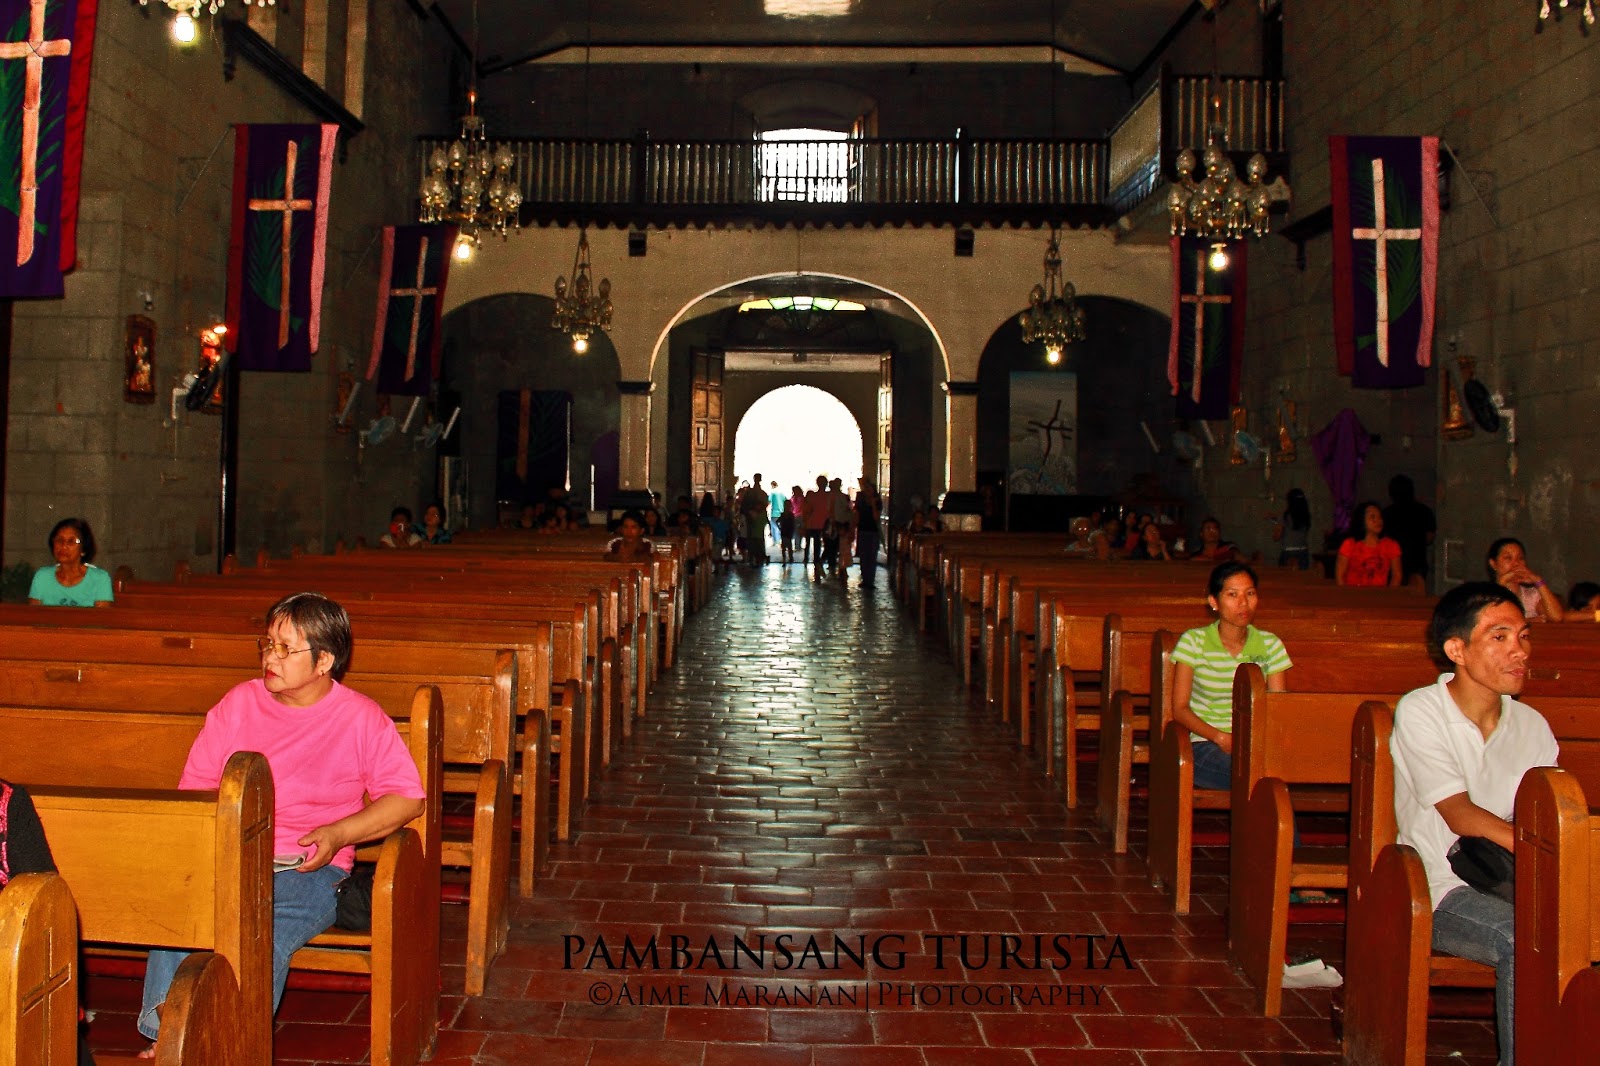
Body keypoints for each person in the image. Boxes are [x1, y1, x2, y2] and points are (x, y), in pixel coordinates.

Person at [137, 593, 426, 1052]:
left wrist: (339, 834)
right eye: (267, 643)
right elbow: (195, 788)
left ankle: (235, 1044)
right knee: (185, 907)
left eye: (285, 648)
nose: (271, 656)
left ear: (324, 660)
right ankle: (171, 1037)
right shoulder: (238, 704)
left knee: (258, 928)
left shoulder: (359, 717)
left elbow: (407, 799)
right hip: (233, 854)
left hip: (311, 869)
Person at [1391, 582, 1558, 1066]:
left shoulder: (1532, 727)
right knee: (1521, 937)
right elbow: (1459, 813)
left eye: (1524, 637)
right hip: (1435, 884)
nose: (1519, 652)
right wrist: (1534, 847)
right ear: (1456, 650)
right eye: (1500, 637)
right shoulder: (1422, 710)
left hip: (1507, 878)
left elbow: (1543, 811)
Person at [1170, 563, 1292, 791]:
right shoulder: (1193, 642)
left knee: (1269, 776)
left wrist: (1256, 743)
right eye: (1232, 594)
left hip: (1255, 745)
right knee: (1258, 779)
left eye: (1250, 593)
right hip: (1205, 744)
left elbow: (1277, 708)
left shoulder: (1270, 644)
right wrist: (1221, 737)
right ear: (1214, 602)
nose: (1243, 603)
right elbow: (1180, 708)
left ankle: (1272, 826)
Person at [28, 517, 113, 607]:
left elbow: (101, 619)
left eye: (71, 541)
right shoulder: (42, 577)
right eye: (59, 540)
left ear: (83, 549)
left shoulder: (99, 579)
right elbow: (33, 617)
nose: (64, 546)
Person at [1485, 537, 1564, 622]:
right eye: (1508, 558)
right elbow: (1493, 620)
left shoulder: (1531, 595)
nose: (1516, 563)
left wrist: (1538, 581)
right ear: (1493, 564)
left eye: (1520, 558)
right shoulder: (1484, 595)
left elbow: (1556, 617)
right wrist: (1502, 583)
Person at [1383, 474, 1436, 586]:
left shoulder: (1387, 513)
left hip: (1392, 564)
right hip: (1417, 563)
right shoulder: (1424, 511)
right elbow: (1430, 538)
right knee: (1414, 597)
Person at [1336, 502, 1402, 587]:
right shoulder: (1349, 544)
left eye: (1380, 517)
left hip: (1381, 597)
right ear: (1362, 520)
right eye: (1372, 517)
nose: (1378, 520)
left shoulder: (1391, 545)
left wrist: (1389, 597)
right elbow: (1340, 575)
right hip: (1353, 596)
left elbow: (1397, 575)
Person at [1274, 488, 1311, 570]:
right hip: (1303, 552)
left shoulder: (1285, 516)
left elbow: (1276, 536)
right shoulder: (1306, 516)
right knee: (1303, 579)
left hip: (1288, 552)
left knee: (1286, 580)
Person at [855, 476, 883, 585]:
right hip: (862, 530)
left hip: (873, 531)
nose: (868, 492)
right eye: (866, 489)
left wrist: (873, 505)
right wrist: (853, 528)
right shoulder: (860, 499)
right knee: (863, 556)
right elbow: (857, 514)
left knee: (871, 556)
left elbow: (876, 517)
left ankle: (870, 580)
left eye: (870, 489)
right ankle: (864, 578)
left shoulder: (877, 501)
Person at [803, 476, 831, 576]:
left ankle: (817, 563)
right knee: (826, 545)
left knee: (817, 545)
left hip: (814, 523)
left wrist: (805, 523)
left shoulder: (813, 496)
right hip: (825, 523)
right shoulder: (829, 495)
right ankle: (818, 563)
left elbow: (808, 511)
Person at [778, 486, 799, 564]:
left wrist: (779, 527)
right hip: (789, 531)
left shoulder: (783, 514)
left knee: (784, 546)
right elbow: (793, 523)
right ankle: (790, 558)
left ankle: (784, 558)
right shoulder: (791, 514)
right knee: (789, 545)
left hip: (784, 530)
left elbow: (778, 521)